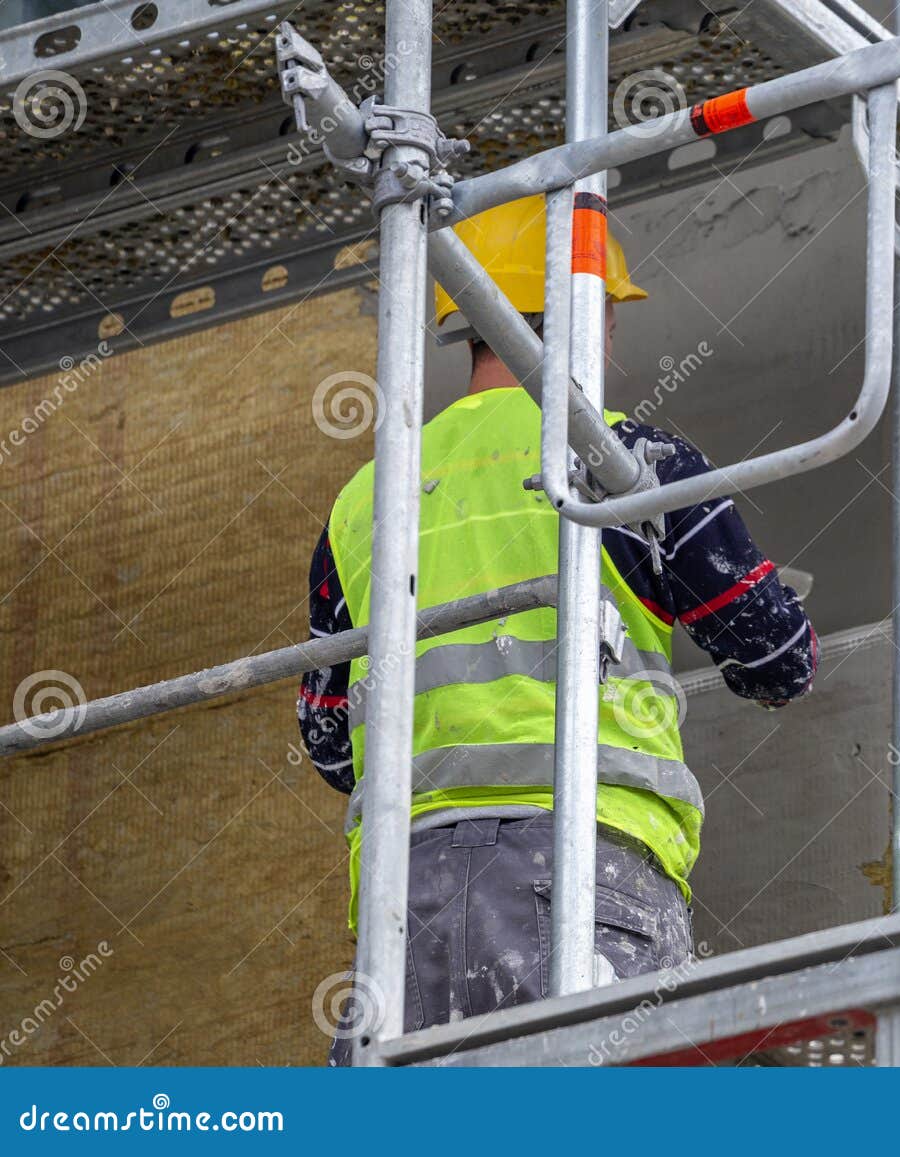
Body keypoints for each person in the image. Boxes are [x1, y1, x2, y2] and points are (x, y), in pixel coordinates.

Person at [297, 195, 816, 1063]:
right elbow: (778, 659)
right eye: (609, 310)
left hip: (404, 899)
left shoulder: (364, 501)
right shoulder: (623, 462)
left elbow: (327, 742)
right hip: (581, 868)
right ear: (588, 311)